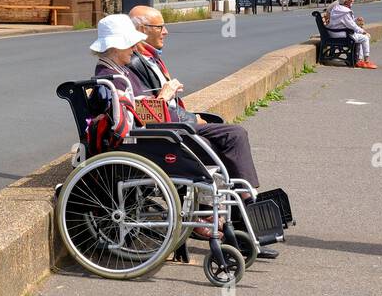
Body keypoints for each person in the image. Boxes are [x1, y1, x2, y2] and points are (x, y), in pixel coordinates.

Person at [92, 12, 262, 190]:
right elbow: (137, 117)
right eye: (131, 44)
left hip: (162, 130)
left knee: (234, 134)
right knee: (229, 138)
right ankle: (245, 200)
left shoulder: (118, 72)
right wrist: (164, 97)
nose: (135, 49)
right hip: (155, 136)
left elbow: (135, 108)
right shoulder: (112, 78)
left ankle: (244, 199)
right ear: (117, 46)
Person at [329, 0, 376, 68]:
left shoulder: (337, 8)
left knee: (360, 38)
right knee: (365, 38)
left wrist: (355, 19)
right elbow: (352, 26)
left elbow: (345, 22)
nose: (353, 1)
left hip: (334, 33)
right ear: (346, 1)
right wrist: (363, 31)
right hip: (342, 35)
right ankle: (366, 60)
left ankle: (359, 60)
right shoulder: (345, 12)